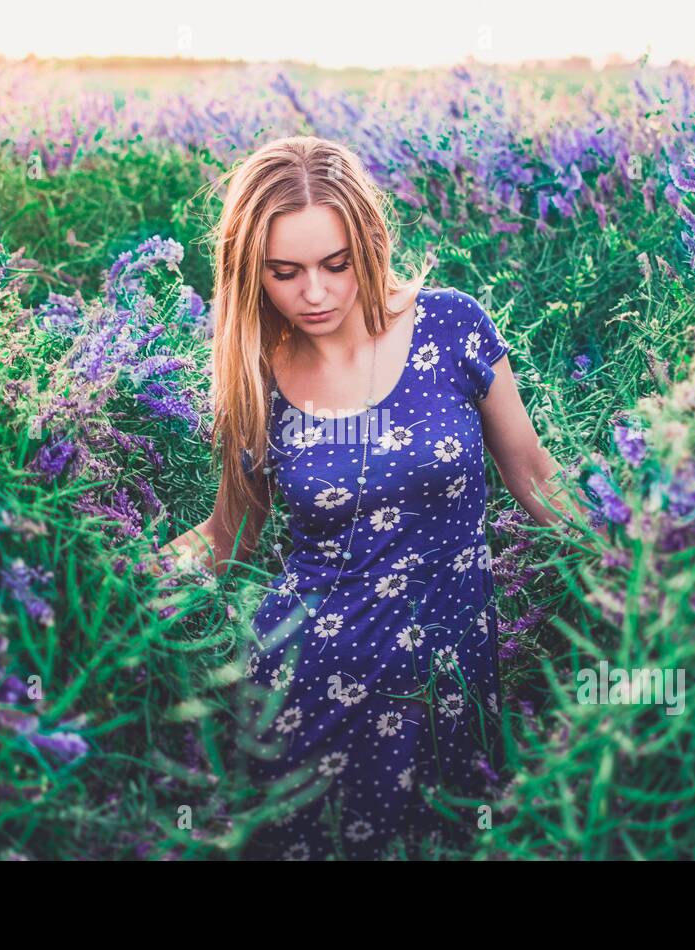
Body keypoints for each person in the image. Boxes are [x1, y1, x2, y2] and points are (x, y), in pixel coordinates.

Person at [160, 136, 578, 860]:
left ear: (369, 242)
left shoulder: (451, 327)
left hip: (453, 686)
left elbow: (534, 474)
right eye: (284, 272)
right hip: (307, 692)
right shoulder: (255, 378)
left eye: (335, 264)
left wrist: (640, 549)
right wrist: (109, 575)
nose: (313, 293)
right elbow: (230, 537)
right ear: (248, 272)